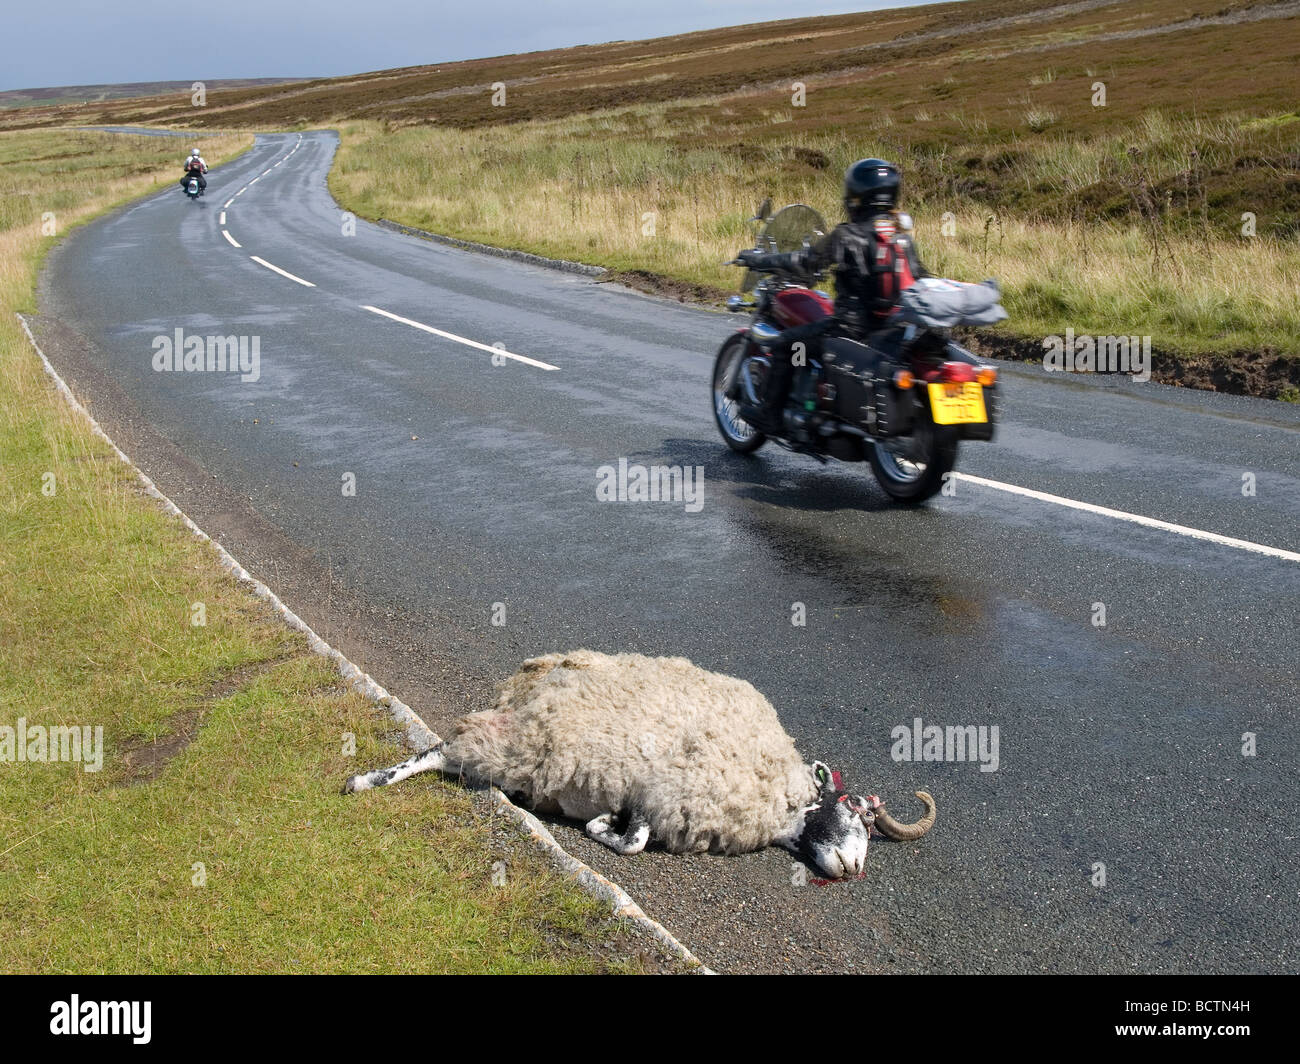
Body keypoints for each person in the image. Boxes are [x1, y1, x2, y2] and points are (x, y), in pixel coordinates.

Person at [735, 157, 931, 434]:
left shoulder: (847, 235)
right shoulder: (901, 238)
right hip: (890, 332)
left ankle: (769, 416)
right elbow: (921, 279)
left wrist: (763, 260)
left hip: (848, 330)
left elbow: (807, 260)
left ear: (856, 197)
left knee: (787, 345)